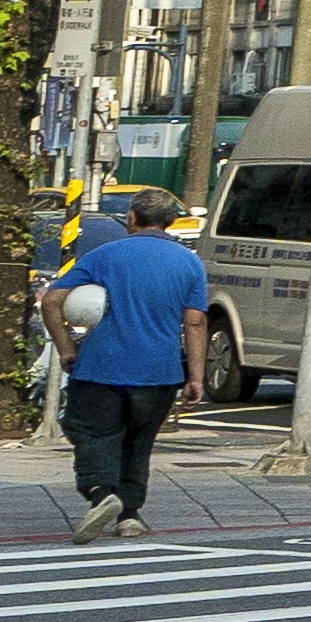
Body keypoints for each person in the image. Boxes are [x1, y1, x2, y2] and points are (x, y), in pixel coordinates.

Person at [49, 183, 208, 541]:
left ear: (132, 217)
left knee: (92, 432)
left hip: (100, 366)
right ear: (170, 220)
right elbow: (195, 321)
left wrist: (66, 348)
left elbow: (51, 301)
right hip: (159, 372)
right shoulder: (189, 262)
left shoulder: (104, 255)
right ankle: (130, 515)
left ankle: (101, 493)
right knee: (140, 440)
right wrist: (195, 376)